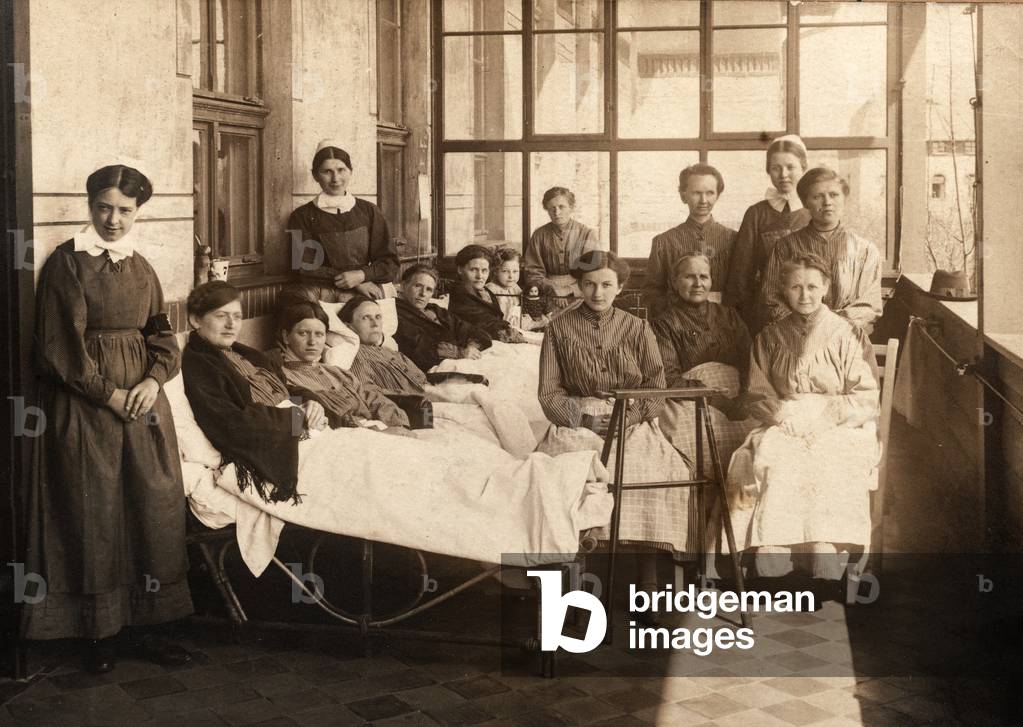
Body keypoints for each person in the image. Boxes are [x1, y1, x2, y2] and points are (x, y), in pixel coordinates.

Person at [23, 164, 193, 673]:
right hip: (86, 407)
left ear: (138, 211)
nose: (113, 220)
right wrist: (109, 394)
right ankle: (96, 633)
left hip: (142, 407)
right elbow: (57, 347)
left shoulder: (142, 266)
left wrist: (153, 380)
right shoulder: (67, 262)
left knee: (150, 507)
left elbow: (162, 334)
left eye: (124, 210)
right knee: (93, 511)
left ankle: (149, 626)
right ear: (90, 205)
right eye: (103, 208)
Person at [537, 251, 693, 612]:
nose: (598, 292)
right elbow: (548, 392)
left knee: (649, 466)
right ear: (578, 286)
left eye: (607, 284)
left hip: (630, 417)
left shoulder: (637, 327)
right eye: (589, 284)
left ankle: (647, 581)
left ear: (620, 287)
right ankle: (574, 573)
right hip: (579, 417)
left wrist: (631, 416)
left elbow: (656, 386)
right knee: (567, 472)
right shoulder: (559, 328)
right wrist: (583, 419)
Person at [728, 255, 880, 590]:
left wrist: (824, 418)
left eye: (812, 286)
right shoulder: (769, 337)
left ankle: (822, 549)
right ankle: (775, 551)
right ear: (784, 290)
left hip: (840, 420)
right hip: (787, 417)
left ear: (826, 287)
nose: (805, 294)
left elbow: (866, 396)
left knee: (827, 453)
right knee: (776, 451)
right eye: (795, 287)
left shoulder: (848, 334)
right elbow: (757, 393)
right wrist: (782, 416)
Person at [760, 167, 883, 333]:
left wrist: (831, 326)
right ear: (805, 203)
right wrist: (805, 326)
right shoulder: (785, 246)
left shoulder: (865, 251)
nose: (827, 202)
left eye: (834, 195)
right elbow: (771, 298)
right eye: (817, 196)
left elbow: (869, 306)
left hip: (849, 336)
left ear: (844, 199)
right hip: (798, 336)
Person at [268, 301, 412, 433]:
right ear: (286, 337)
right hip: (349, 437)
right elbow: (317, 424)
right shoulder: (284, 379)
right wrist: (379, 433)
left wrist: (399, 425)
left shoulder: (338, 372)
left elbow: (375, 400)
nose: (312, 342)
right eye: (303, 333)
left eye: (319, 334)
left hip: (379, 430)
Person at [287, 141, 399, 299]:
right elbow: (302, 267)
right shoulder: (301, 216)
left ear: (350, 171)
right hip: (324, 293)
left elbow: (390, 263)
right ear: (315, 175)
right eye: (327, 171)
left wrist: (362, 275)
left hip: (369, 290)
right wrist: (354, 282)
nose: (335, 178)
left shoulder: (369, 211)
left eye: (341, 170)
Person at [724, 135, 812, 334]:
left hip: (809, 312)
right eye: (776, 168)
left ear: (803, 168)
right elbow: (740, 275)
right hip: (765, 315)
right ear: (768, 171)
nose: (783, 174)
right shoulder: (756, 214)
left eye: (790, 167)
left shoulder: (814, 212)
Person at [651, 252, 752, 419]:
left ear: (711, 281)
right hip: (692, 401)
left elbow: (750, 364)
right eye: (689, 277)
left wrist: (744, 398)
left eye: (704, 277)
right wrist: (715, 399)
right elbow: (667, 378)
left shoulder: (729, 316)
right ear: (675, 282)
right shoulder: (664, 324)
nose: (698, 283)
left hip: (738, 399)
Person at [643, 163, 736, 320]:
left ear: (717, 195)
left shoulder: (734, 239)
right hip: (676, 325)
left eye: (710, 193)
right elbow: (652, 293)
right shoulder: (663, 242)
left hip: (724, 324)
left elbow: (742, 290)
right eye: (696, 193)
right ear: (683, 196)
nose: (703, 200)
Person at [394, 264, 493, 371]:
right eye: (418, 286)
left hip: (461, 361)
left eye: (429, 290)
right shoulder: (395, 313)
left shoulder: (436, 310)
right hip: (433, 370)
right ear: (403, 286)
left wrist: (472, 347)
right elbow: (419, 349)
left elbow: (474, 331)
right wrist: (460, 353)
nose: (423, 294)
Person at [523, 186, 600, 307]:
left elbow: (593, 272)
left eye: (561, 207)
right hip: (546, 292)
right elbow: (532, 271)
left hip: (581, 292)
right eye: (551, 208)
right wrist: (553, 288)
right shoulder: (539, 235)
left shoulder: (586, 234)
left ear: (571, 207)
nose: (557, 212)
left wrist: (568, 290)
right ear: (547, 209)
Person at [341, 296, 429, 395]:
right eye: (365, 318)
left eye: (378, 317)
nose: (375, 324)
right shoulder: (355, 358)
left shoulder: (390, 351)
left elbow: (423, 380)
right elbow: (371, 395)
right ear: (349, 327)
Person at [448, 245, 526, 343]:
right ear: (460, 269)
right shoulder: (461, 294)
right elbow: (483, 322)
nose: (480, 276)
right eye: (473, 270)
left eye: (484, 270)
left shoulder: (484, 291)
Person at [486, 247, 524, 324]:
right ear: (495, 271)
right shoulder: (490, 289)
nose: (511, 276)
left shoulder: (515, 287)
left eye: (515, 271)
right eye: (505, 271)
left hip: (516, 324)